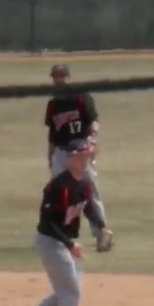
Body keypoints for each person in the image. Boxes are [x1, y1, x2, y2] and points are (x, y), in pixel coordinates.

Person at [16, 137, 112, 306]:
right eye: (82, 157)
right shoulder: (58, 187)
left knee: (68, 291)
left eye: (88, 156)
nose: (87, 160)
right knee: (71, 293)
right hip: (50, 242)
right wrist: (70, 245)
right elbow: (48, 223)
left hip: (67, 242)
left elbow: (88, 207)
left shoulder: (84, 182)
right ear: (71, 159)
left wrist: (101, 226)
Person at [44, 64, 105, 238]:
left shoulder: (81, 96)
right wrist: (50, 157)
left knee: (90, 191)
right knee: (59, 192)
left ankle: (101, 232)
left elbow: (93, 121)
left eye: (61, 76)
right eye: (55, 76)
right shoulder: (53, 104)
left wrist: (92, 140)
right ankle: (60, 233)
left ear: (68, 77)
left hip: (81, 150)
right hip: (62, 153)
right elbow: (53, 134)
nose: (58, 79)